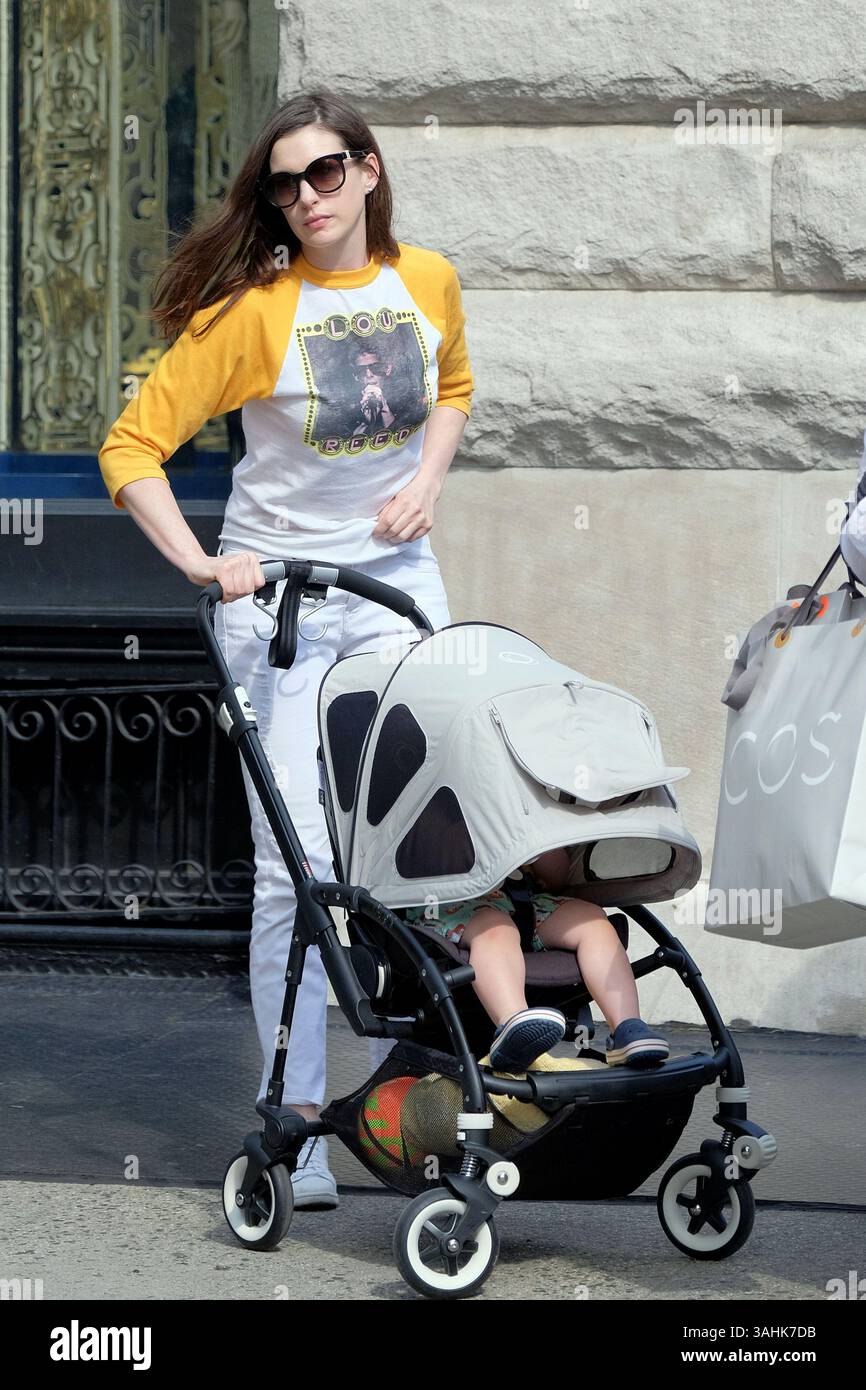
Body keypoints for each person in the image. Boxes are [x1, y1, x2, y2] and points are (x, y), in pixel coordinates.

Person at [97, 91, 473, 1209]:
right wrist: (202, 565)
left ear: (366, 170)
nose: (302, 196)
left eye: (322, 173)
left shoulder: (429, 280)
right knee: (294, 869)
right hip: (283, 610)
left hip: (400, 595)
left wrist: (428, 478)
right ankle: (299, 1122)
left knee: (441, 844)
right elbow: (131, 446)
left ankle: (433, 1093)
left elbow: (451, 385)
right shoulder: (254, 316)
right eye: (281, 182)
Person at [400, 847, 671, 1071]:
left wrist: (536, 846)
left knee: (592, 921)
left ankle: (626, 1026)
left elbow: (556, 879)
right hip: (449, 902)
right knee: (496, 930)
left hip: (523, 902)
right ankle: (513, 1026)